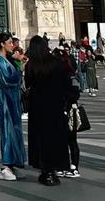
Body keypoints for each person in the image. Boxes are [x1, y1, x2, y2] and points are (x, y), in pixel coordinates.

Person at [24, 35, 72, 185]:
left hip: (38, 106)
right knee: (56, 137)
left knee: (40, 139)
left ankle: (44, 170)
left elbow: (28, 84)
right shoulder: (57, 63)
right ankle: (54, 169)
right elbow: (66, 83)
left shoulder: (31, 65)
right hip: (55, 106)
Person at [0, 32, 25, 181]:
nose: (13, 45)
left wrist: (18, 63)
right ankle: (6, 165)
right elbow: (7, 80)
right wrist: (20, 70)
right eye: (10, 42)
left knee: (15, 129)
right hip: (6, 99)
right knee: (8, 129)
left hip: (13, 98)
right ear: (2, 44)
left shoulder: (6, 59)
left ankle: (12, 163)